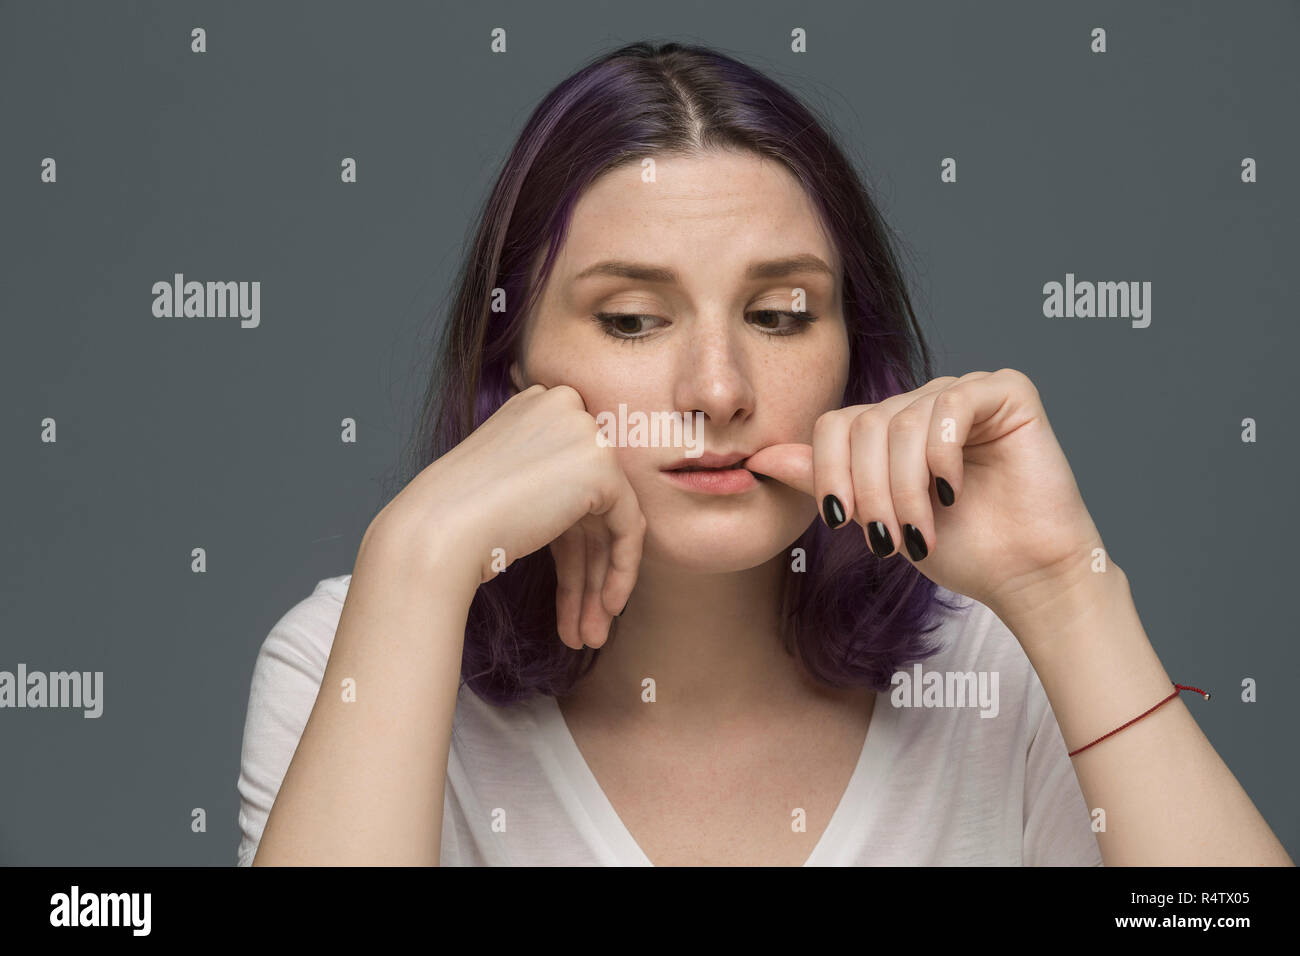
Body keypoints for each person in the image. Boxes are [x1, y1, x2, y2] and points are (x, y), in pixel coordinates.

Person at [235, 41, 1293, 866]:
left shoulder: (991, 676)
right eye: (633, 321)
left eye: (781, 314)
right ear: (514, 369)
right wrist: (417, 556)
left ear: (851, 357)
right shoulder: (354, 647)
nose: (718, 389)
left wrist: (1066, 596)